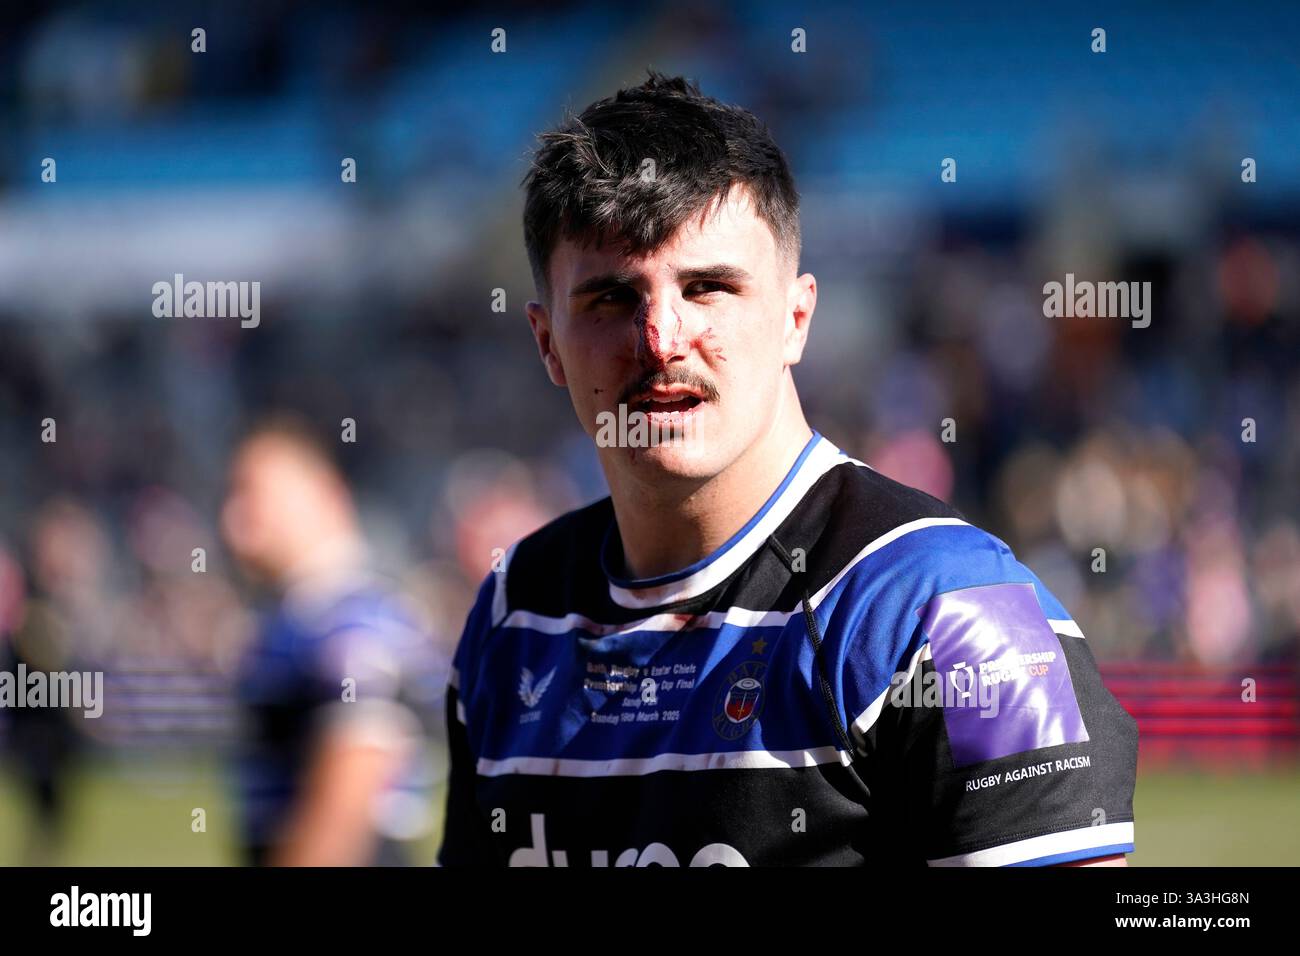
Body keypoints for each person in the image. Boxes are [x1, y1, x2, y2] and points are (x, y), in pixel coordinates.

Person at [438, 72, 1137, 867]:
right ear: (545, 343)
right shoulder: (514, 615)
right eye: (608, 298)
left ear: (796, 319)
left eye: (709, 288)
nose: (661, 338)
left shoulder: (946, 611)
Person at [221, 416, 438, 865]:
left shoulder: (353, 620)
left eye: (253, 494)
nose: (233, 519)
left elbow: (352, 782)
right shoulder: (296, 618)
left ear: (324, 494)